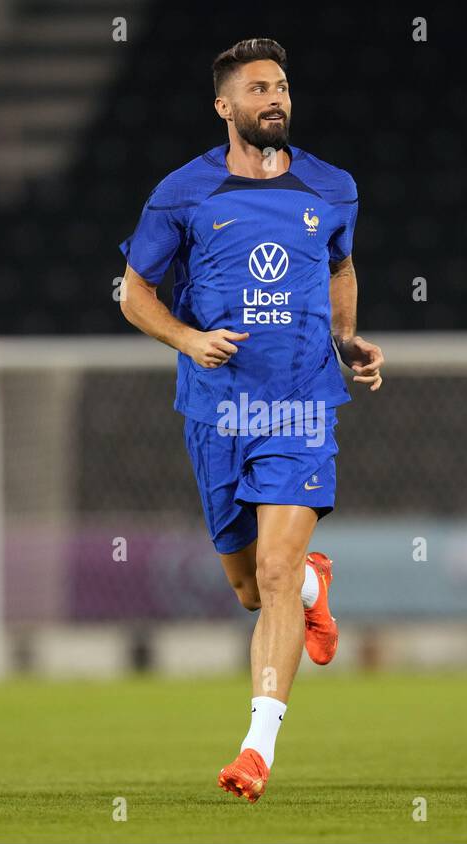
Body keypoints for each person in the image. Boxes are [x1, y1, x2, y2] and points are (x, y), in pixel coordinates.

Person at [119, 38, 384, 803]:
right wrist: (188, 337)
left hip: (300, 405)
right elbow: (134, 292)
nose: (275, 98)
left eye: (282, 86)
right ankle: (312, 584)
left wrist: (345, 339)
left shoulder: (331, 188)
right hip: (216, 410)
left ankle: (256, 748)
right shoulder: (183, 192)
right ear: (224, 106)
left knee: (269, 572)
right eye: (258, 88)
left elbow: (340, 264)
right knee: (249, 584)